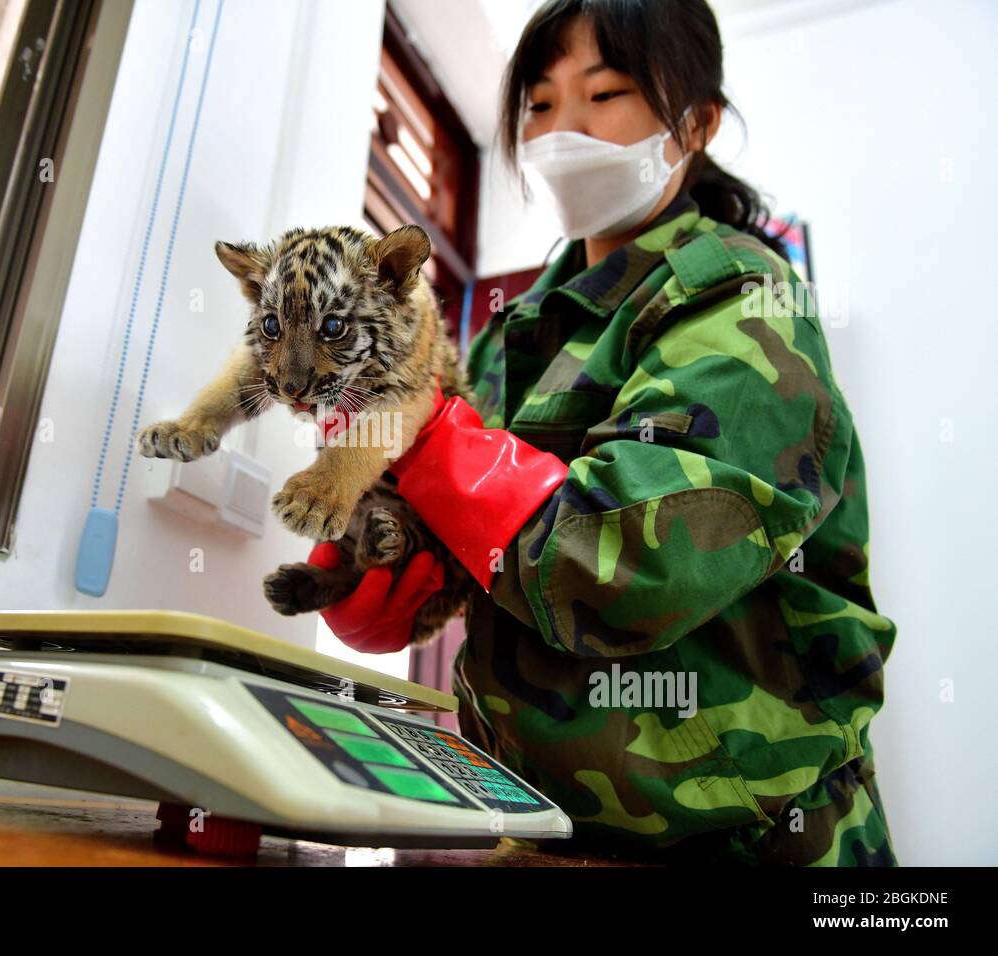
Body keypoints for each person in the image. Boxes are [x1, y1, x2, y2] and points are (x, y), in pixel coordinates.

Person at [312, 0, 897, 866]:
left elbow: (634, 560)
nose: (562, 133)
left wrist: (432, 446)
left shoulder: (739, 297)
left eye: (606, 93)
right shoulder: (513, 336)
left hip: (749, 839)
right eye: (540, 105)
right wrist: (385, 554)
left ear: (694, 123)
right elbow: (484, 549)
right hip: (544, 825)